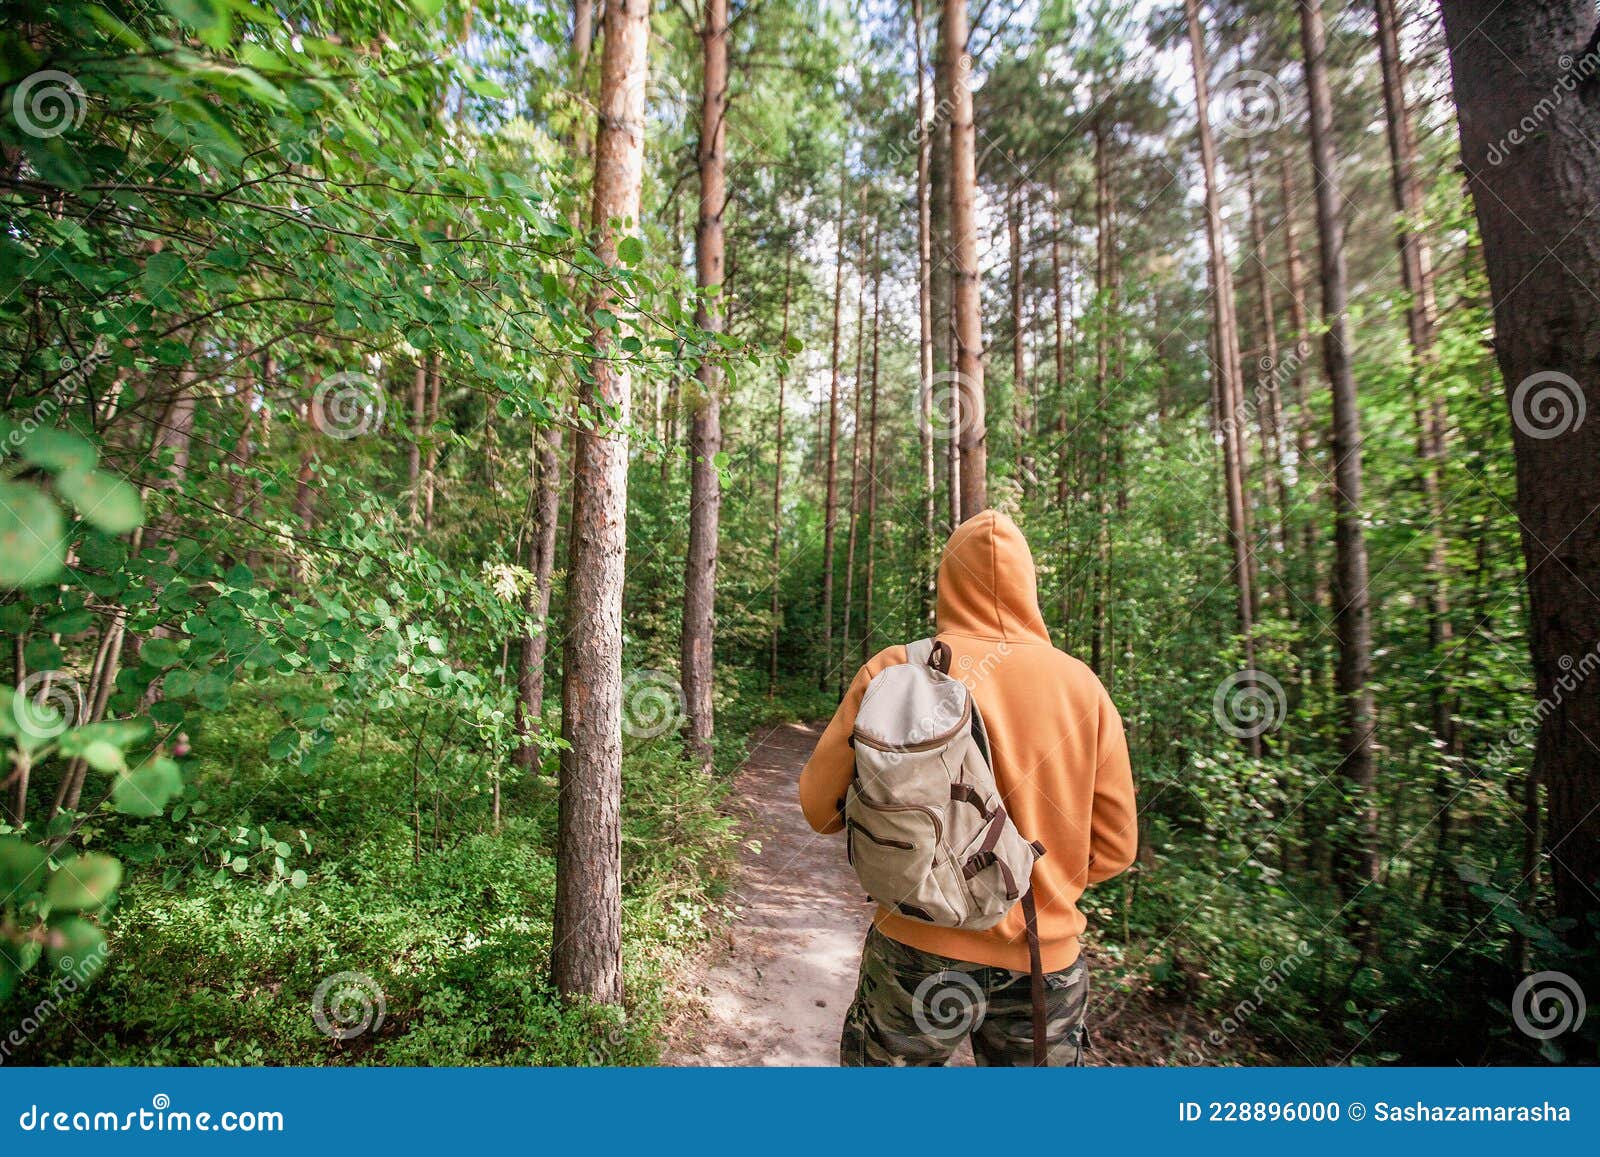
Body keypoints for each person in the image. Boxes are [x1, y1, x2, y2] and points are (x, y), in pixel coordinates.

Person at [799, 509, 1138, 1066]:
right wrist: (1040, 876)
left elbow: (820, 810)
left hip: (915, 944)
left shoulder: (896, 670)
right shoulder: (1083, 688)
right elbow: (1115, 850)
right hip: (1041, 961)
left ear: (947, 582)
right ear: (1028, 585)